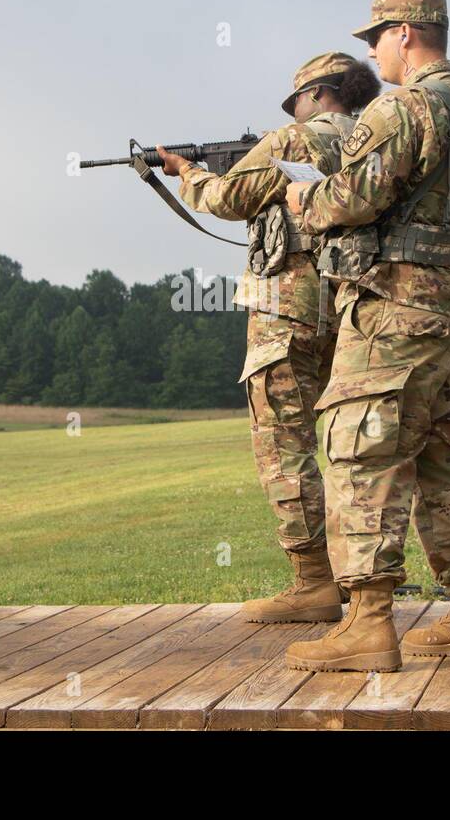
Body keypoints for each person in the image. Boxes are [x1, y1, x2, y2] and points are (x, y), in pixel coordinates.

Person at [282, 0, 450, 672]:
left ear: (407, 32)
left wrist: (303, 197)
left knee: (362, 451)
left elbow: (355, 199)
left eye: (377, 35)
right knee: (444, 457)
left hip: (395, 310)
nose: (373, 48)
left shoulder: (400, 111)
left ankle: (369, 624)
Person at [159, 51, 380, 623]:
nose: (295, 110)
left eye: (298, 100)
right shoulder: (377, 140)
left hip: (289, 311)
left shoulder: (291, 140)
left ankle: (313, 582)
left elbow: (225, 199)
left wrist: (188, 173)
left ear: (319, 95)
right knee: (354, 449)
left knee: (284, 443)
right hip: (360, 311)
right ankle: (365, 577)